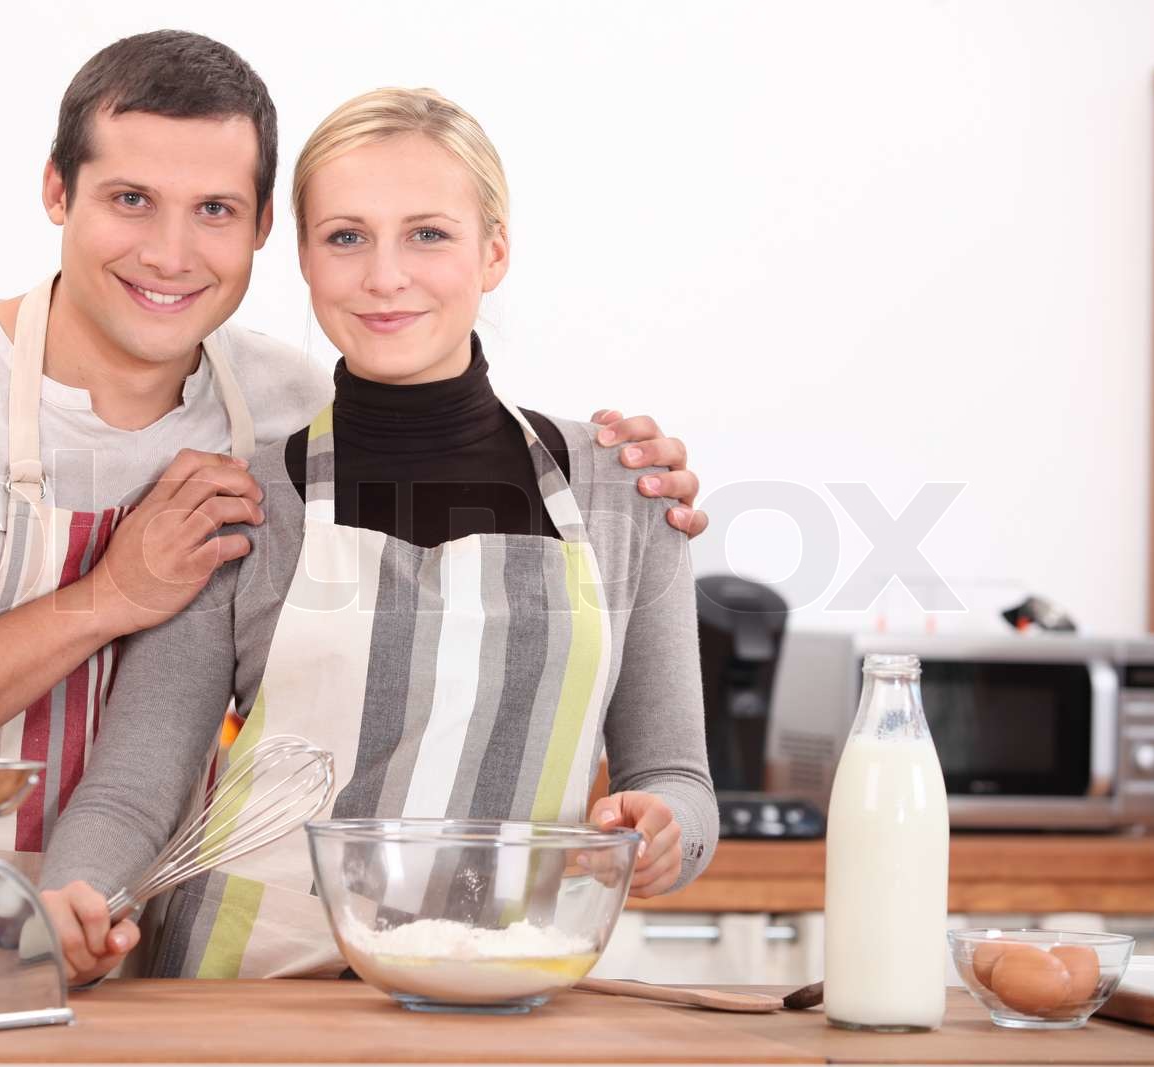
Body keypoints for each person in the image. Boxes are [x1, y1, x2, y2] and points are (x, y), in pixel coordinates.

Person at [0, 31, 706, 978]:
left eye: (213, 208)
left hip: (147, 959)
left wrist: (636, 484)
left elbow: (669, 772)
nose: (170, 253)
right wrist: (108, 599)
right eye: (130, 199)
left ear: (259, 231)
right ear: (57, 191)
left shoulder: (283, 408)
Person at [39, 87, 716, 985]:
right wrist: (71, 901)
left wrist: (665, 831)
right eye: (346, 237)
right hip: (248, 993)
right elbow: (134, 789)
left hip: (499, 989)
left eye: (428, 234)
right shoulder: (238, 503)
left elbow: (676, 776)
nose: (384, 276)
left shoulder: (625, 491)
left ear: (494, 251)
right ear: (304, 258)